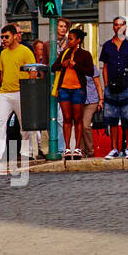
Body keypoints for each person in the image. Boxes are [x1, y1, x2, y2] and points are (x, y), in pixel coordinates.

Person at [0, 23, 36, 162]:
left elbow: (33, 72)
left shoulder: (25, 51)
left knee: (25, 125)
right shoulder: (3, 52)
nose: (3, 39)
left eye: (6, 36)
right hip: (5, 93)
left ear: (15, 36)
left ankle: (27, 151)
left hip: (22, 92)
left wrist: (30, 91)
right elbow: (1, 73)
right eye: (2, 37)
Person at [100, 17, 128, 159]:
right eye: (116, 25)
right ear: (113, 27)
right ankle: (114, 148)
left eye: (121, 24)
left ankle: (127, 148)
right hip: (112, 87)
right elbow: (105, 66)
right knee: (112, 119)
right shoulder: (107, 45)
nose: (119, 27)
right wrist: (106, 85)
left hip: (127, 86)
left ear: (125, 27)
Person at [53, 28, 95, 159]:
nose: (68, 41)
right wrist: (63, 64)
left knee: (77, 118)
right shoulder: (65, 52)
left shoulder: (85, 54)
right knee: (66, 117)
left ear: (78, 40)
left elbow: (90, 72)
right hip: (64, 88)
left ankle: (77, 148)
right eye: (68, 38)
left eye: (71, 39)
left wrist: (75, 65)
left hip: (78, 89)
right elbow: (53, 67)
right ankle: (66, 148)